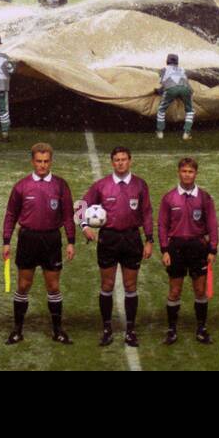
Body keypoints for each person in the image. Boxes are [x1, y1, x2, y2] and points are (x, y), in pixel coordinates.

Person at [2, 142, 75, 345]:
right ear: (32, 161)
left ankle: (58, 330)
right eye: (38, 161)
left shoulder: (60, 185)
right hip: (28, 239)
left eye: (46, 161)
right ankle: (17, 330)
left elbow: (68, 215)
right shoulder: (22, 186)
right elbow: (10, 215)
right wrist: (6, 241)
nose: (42, 165)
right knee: (24, 285)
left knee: (53, 286)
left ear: (51, 161)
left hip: (51, 240)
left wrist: (71, 241)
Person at [80, 146, 154, 347]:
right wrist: (85, 226)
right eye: (117, 160)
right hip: (109, 239)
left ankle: (130, 330)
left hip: (131, 239)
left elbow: (147, 213)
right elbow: (81, 205)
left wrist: (149, 240)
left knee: (130, 286)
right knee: (107, 285)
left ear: (130, 161)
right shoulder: (102, 185)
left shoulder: (140, 185)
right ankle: (106, 329)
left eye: (124, 159)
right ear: (112, 163)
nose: (120, 163)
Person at [158, 157, 218, 344]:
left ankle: (201, 328)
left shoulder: (205, 197)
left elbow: (213, 224)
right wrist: (164, 250)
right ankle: (172, 329)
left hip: (198, 247)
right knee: (175, 291)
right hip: (176, 248)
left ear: (196, 174)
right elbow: (162, 225)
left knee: (200, 290)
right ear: (179, 172)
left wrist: (213, 249)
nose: (187, 174)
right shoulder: (169, 198)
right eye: (184, 171)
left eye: (190, 171)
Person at [155, 53, 194, 140]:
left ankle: (160, 132)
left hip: (171, 88)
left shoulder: (163, 69)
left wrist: (158, 91)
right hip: (186, 88)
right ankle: (186, 133)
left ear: (167, 61)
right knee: (190, 111)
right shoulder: (183, 69)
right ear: (177, 62)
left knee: (161, 109)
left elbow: (163, 83)